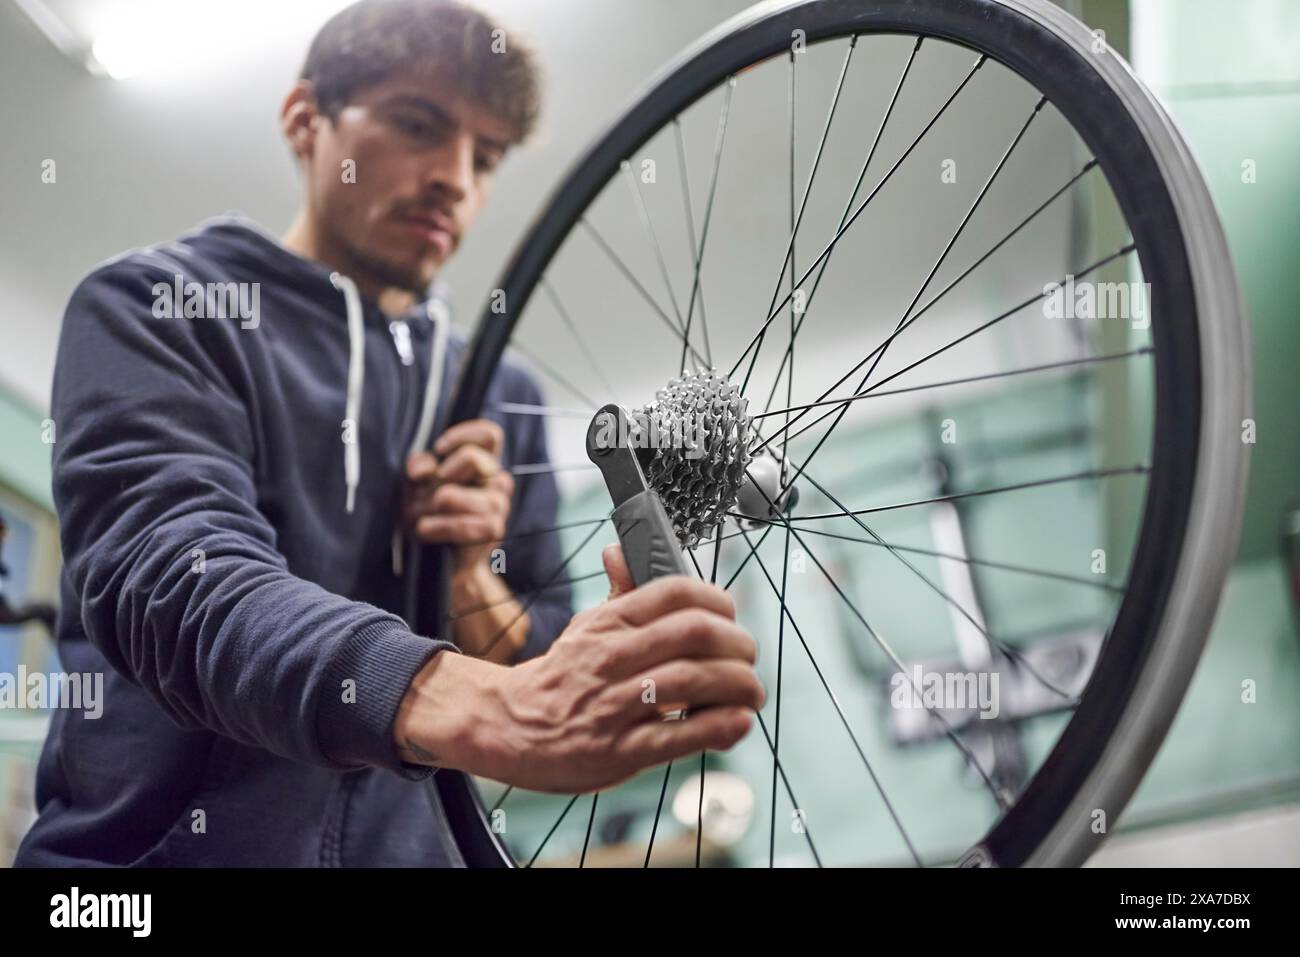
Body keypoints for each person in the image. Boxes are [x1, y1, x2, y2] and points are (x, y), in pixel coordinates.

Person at [16, 0, 762, 867]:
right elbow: (169, 575)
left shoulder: (499, 395)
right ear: (306, 120)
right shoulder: (158, 307)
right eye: (419, 124)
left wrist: (471, 577)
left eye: (487, 157)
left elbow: (534, 663)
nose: (456, 177)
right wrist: (486, 707)